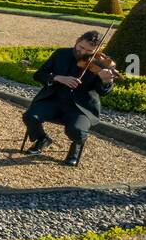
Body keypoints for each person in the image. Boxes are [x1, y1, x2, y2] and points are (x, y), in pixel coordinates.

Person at [21, 31, 116, 167]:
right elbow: (39, 75)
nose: (83, 52)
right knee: (30, 116)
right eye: (81, 47)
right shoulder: (61, 54)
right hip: (53, 99)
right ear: (77, 40)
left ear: (97, 50)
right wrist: (57, 77)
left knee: (77, 131)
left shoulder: (101, 64)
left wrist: (105, 81)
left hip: (81, 107)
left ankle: (75, 148)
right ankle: (43, 139)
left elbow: (102, 92)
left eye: (89, 50)